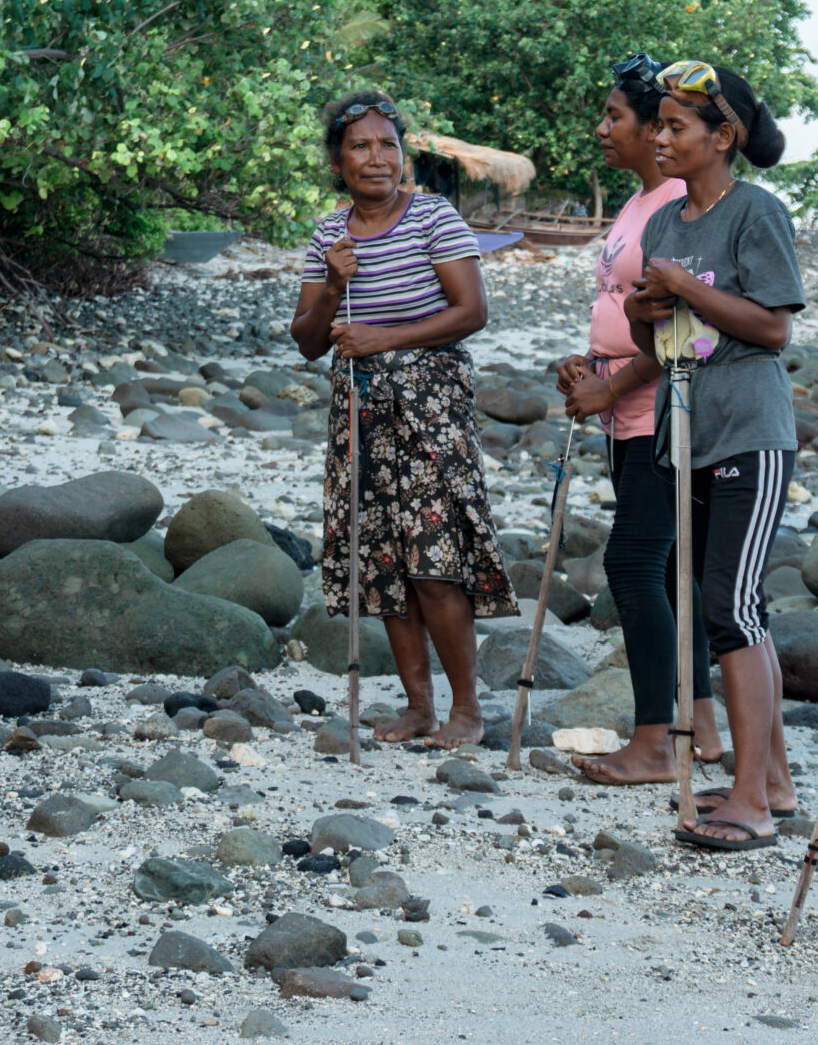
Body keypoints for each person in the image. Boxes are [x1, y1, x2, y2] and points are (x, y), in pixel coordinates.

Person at [290, 90, 519, 748]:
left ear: (402, 154)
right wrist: (334, 287)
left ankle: (467, 711)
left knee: (435, 560)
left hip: (430, 409)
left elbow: (471, 311)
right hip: (360, 411)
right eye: (360, 146)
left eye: (387, 144)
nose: (376, 157)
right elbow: (308, 339)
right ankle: (418, 707)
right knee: (383, 559)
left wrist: (382, 338)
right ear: (338, 159)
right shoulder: (327, 235)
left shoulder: (432, 217)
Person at [621, 60, 803, 850]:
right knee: (725, 606)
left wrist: (684, 291)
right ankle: (777, 783)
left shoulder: (755, 213)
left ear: (722, 137)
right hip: (683, 429)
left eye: (675, 127)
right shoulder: (666, 225)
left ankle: (752, 799)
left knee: (733, 607)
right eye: (656, 124)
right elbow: (656, 344)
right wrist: (642, 308)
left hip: (749, 430)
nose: (659, 138)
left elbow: (772, 329)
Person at [556, 54, 723, 784]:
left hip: (665, 407)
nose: (603, 129)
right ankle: (704, 724)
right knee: (669, 568)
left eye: (614, 116)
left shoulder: (673, 207)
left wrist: (614, 382)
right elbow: (626, 311)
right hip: (622, 407)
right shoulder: (635, 203)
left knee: (632, 563)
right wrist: (589, 366)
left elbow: (688, 330)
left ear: (653, 124)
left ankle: (657, 738)